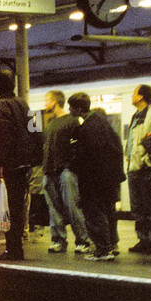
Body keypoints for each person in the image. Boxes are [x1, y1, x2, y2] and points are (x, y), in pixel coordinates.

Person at [70, 93, 125, 261]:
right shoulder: (101, 122)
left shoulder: (89, 126)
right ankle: (109, 246)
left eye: (71, 107)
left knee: (94, 212)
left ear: (79, 108)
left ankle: (102, 250)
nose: (69, 110)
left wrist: (75, 164)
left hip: (94, 179)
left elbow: (89, 156)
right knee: (107, 211)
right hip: (107, 178)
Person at [0, 71, 32, 261]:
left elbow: (3, 137)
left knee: (8, 207)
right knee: (18, 207)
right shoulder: (24, 104)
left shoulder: (0, 106)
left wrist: (0, 163)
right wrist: (32, 156)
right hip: (24, 162)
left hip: (11, 163)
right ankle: (17, 247)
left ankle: (13, 249)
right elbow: (35, 130)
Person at [41, 90, 93, 255]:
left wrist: (70, 165)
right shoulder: (50, 123)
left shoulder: (72, 122)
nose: (44, 104)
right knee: (53, 209)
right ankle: (58, 240)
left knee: (72, 206)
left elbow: (76, 144)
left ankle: (83, 240)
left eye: (47, 100)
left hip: (66, 171)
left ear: (55, 102)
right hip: (49, 170)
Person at [125, 84, 151, 254]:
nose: (132, 96)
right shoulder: (136, 116)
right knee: (138, 207)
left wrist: (147, 161)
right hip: (134, 168)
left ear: (141, 96)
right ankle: (143, 239)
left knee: (150, 206)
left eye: (134, 93)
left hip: (146, 169)